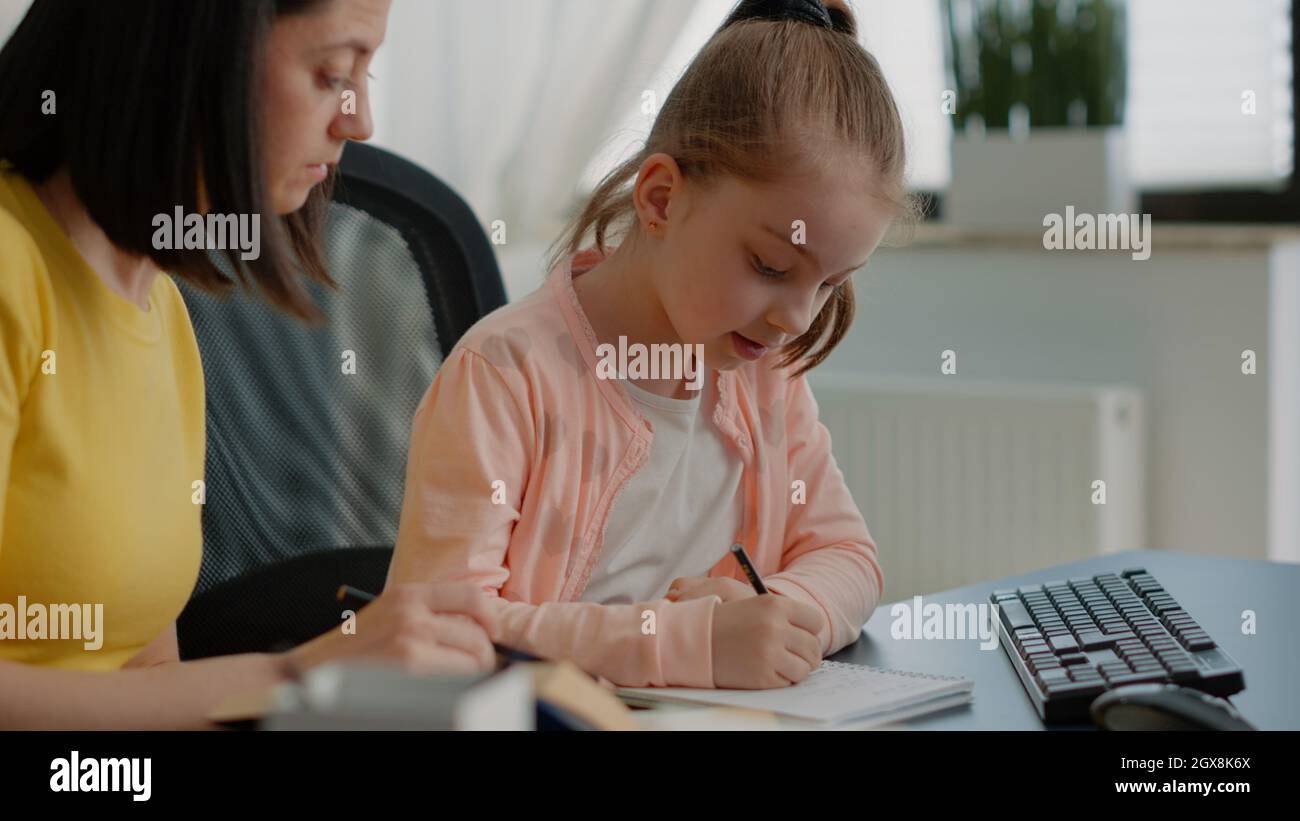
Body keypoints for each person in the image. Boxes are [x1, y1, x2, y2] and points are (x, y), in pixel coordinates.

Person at [0, 0, 495, 730]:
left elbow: (145, 676)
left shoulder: (158, 303)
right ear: (192, 52)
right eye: (333, 72)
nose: (359, 122)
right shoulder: (11, 270)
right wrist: (298, 673)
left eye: (366, 74)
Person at [390, 0, 910, 689]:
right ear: (661, 198)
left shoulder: (765, 374)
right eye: (773, 268)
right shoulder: (505, 375)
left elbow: (848, 553)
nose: (796, 318)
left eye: (832, 285)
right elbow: (438, 631)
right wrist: (684, 643)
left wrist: (775, 612)